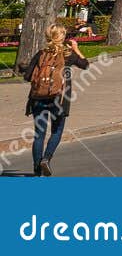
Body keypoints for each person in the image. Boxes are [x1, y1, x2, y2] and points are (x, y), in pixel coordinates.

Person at [21, 25, 90, 176]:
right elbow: (85, 65)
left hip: (38, 98)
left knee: (39, 134)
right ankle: (46, 158)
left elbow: (27, 76)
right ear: (63, 37)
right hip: (59, 99)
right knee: (57, 131)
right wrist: (76, 48)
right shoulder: (68, 55)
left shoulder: (41, 54)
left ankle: (37, 167)